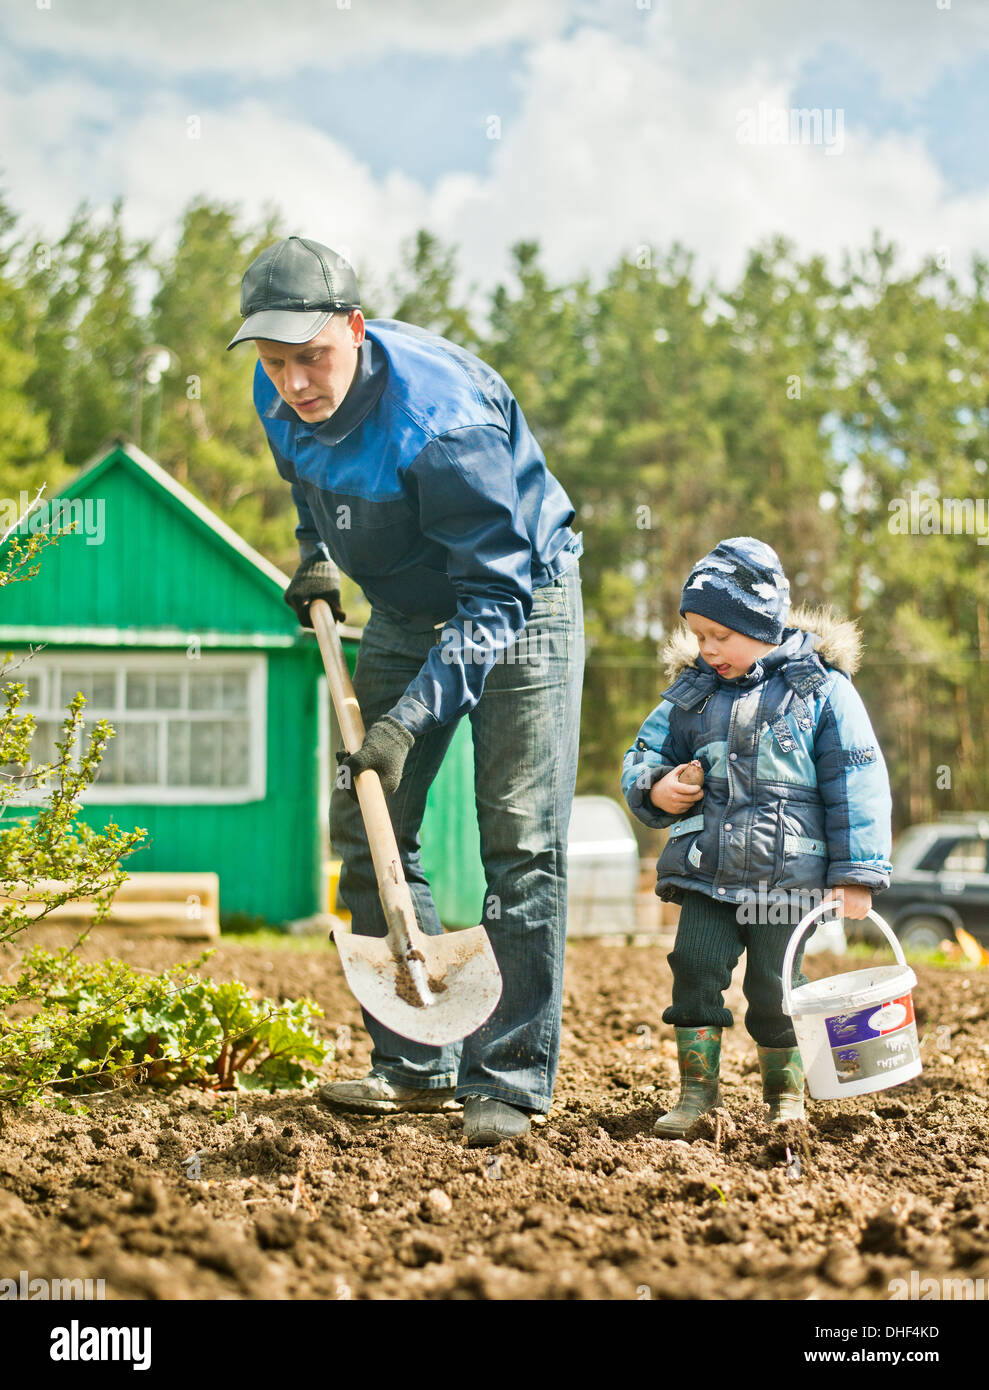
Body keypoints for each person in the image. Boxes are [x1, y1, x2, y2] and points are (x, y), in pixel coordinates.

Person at [228, 236, 584, 1147]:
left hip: (516, 601)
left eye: (313, 357)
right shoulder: (277, 393)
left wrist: (410, 721)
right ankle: (415, 1058)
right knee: (369, 820)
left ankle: (506, 1076)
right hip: (399, 604)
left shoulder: (442, 421)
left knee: (519, 835)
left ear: (354, 327)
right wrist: (314, 552)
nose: (295, 382)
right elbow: (304, 482)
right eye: (275, 362)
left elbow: (494, 594)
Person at [620, 537, 892, 1135]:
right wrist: (658, 787)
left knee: (775, 990)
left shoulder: (819, 690)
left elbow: (857, 779)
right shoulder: (690, 695)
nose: (708, 649)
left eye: (722, 635)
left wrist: (857, 873)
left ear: (763, 622)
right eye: (698, 635)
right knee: (693, 968)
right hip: (705, 871)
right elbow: (641, 756)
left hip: (790, 880)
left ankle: (785, 1096)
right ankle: (697, 1093)